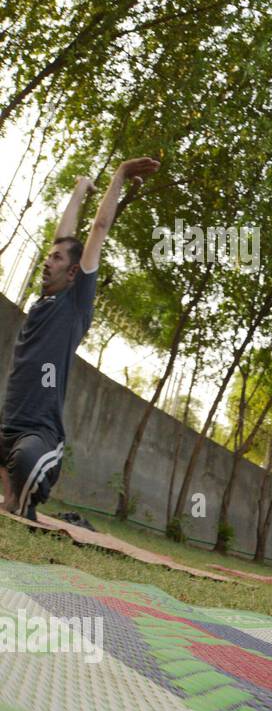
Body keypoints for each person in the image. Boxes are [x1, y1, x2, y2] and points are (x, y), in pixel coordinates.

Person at [0, 158, 160, 519]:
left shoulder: (74, 304)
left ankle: (19, 496)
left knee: (27, 462)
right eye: (47, 257)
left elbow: (99, 229)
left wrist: (118, 174)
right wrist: (79, 189)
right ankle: (10, 493)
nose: (47, 261)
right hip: (7, 424)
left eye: (55, 259)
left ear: (74, 271)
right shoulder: (45, 300)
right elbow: (64, 236)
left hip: (38, 434)